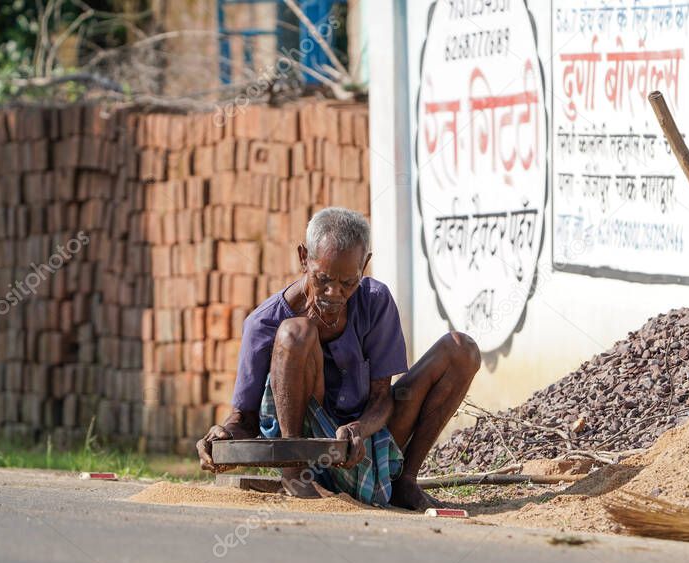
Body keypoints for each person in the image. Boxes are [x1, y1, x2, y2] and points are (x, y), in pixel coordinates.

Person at [196, 207, 481, 510]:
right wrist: (223, 435)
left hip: (364, 443)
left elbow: (383, 398)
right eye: (323, 279)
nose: (334, 293)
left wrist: (361, 427)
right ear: (304, 257)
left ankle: (404, 482)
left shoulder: (375, 301)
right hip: (310, 451)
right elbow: (246, 419)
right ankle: (295, 474)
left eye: (348, 282)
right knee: (295, 333)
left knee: (461, 350)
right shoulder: (264, 324)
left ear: (365, 265)